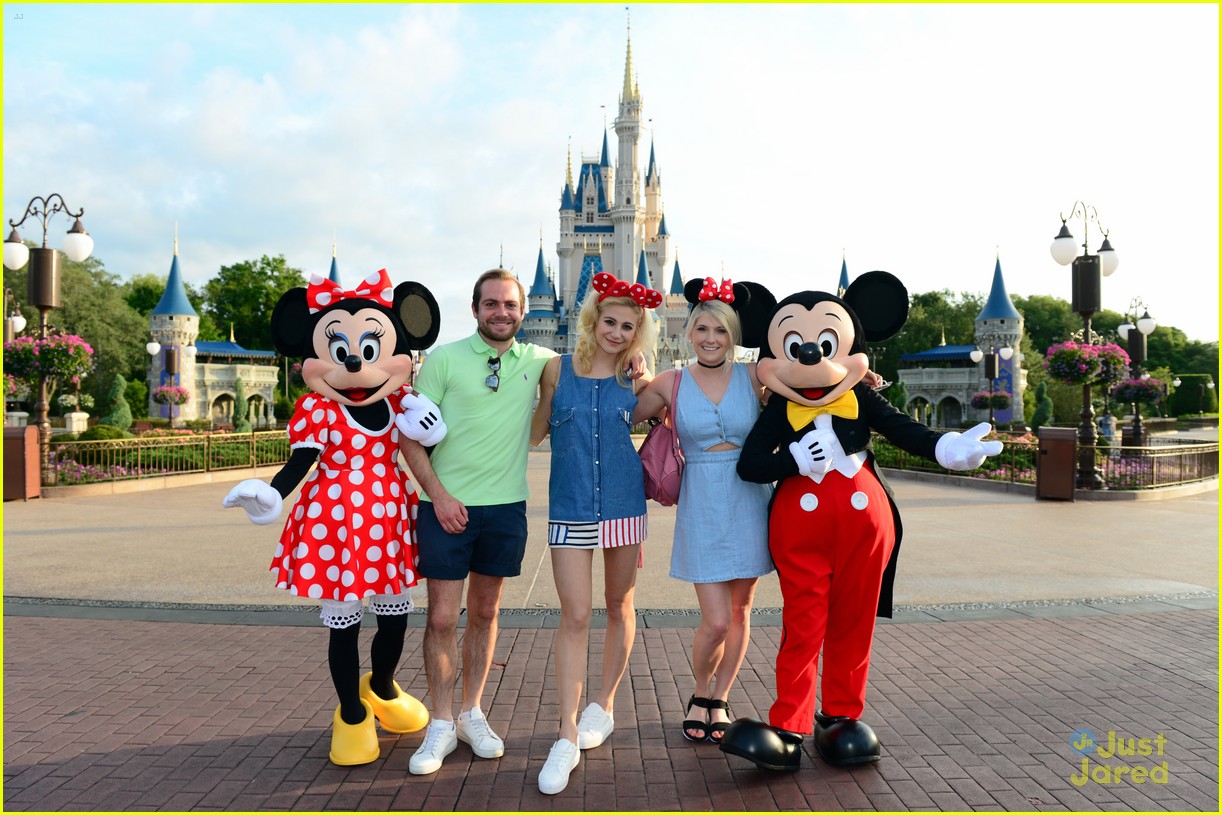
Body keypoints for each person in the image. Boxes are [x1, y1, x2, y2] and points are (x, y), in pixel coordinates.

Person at [399, 268, 646, 776]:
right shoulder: (446, 360)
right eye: (491, 304)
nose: (502, 312)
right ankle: (440, 723)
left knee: (486, 615)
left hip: (506, 506)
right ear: (475, 309)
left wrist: (634, 358)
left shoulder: (539, 361)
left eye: (511, 305)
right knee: (444, 617)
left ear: (525, 312)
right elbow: (408, 436)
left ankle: (471, 713)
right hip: (446, 504)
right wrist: (437, 496)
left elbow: (606, 390)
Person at [223, 270, 445, 766]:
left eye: (368, 349)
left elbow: (426, 448)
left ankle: (382, 687)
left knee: (394, 620)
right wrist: (269, 491)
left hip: (389, 521)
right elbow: (299, 465)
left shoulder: (397, 404)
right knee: (344, 625)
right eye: (339, 351)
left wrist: (434, 428)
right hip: (336, 525)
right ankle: (349, 713)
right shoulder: (319, 411)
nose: (353, 362)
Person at [528, 272, 661, 794]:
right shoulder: (557, 369)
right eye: (610, 321)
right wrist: (547, 395)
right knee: (576, 613)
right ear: (593, 319)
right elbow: (537, 433)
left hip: (625, 504)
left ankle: (601, 706)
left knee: (620, 606)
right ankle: (565, 734)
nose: (617, 332)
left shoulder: (636, 379)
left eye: (629, 326)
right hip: (571, 505)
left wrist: (647, 379)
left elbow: (667, 409)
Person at [632, 278, 777, 746]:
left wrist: (862, 378)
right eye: (702, 329)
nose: (711, 338)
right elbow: (624, 412)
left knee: (740, 611)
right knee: (714, 620)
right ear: (688, 332)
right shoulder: (671, 383)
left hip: (750, 498)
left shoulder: (756, 377)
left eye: (721, 330)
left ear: (733, 334)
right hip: (701, 501)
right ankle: (699, 691)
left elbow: (811, 389)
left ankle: (720, 697)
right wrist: (632, 373)